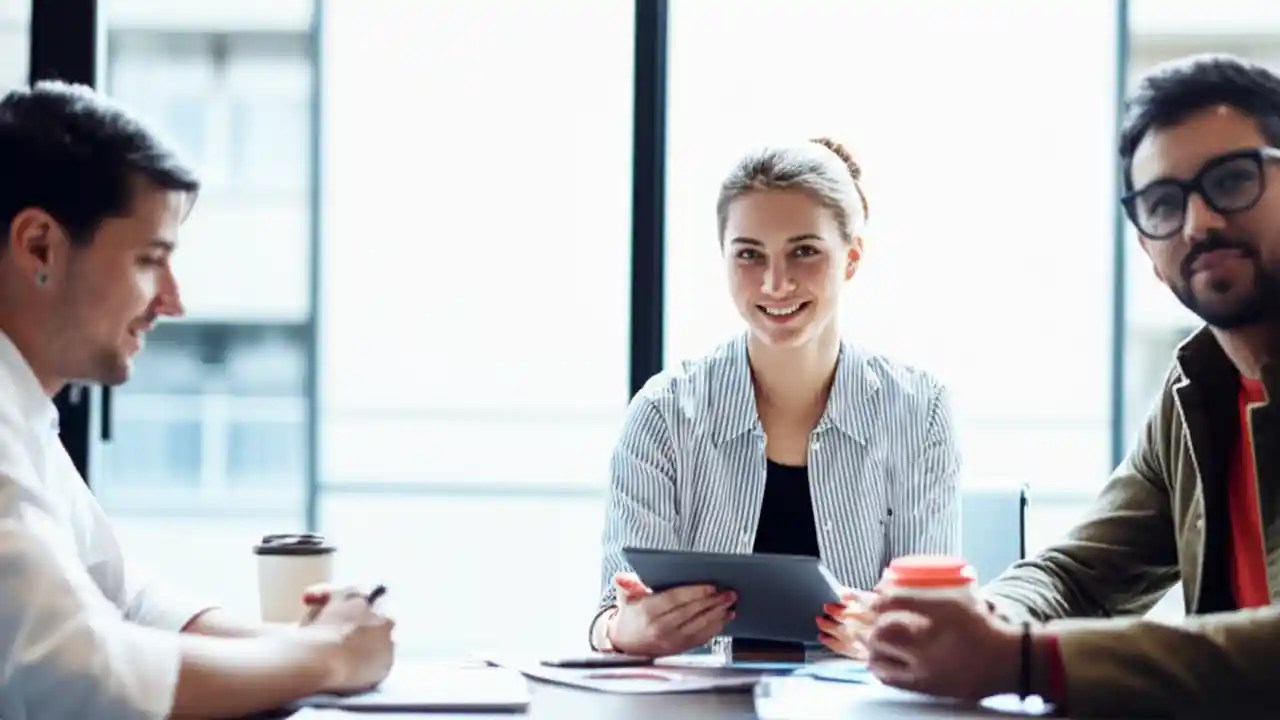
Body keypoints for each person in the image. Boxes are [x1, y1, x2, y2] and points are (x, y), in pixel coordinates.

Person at [827, 54, 1280, 716]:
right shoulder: (1198, 395)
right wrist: (980, 621)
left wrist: (1020, 659)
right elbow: (1077, 576)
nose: (1199, 223)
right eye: (1163, 203)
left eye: (1233, 180)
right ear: (1150, 256)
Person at [0, 81, 394, 719]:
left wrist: (310, 643)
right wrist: (327, 657)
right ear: (40, 246)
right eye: (151, 259)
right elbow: (79, 669)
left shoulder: (23, 413)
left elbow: (124, 600)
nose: (173, 301)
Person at [588, 138, 963, 658]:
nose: (776, 282)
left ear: (852, 257)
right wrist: (621, 631)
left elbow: (932, 630)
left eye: (804, 251)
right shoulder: (663, 414)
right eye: (749, 255)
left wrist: (887, 638)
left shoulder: (919, 413)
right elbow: (612, 609)